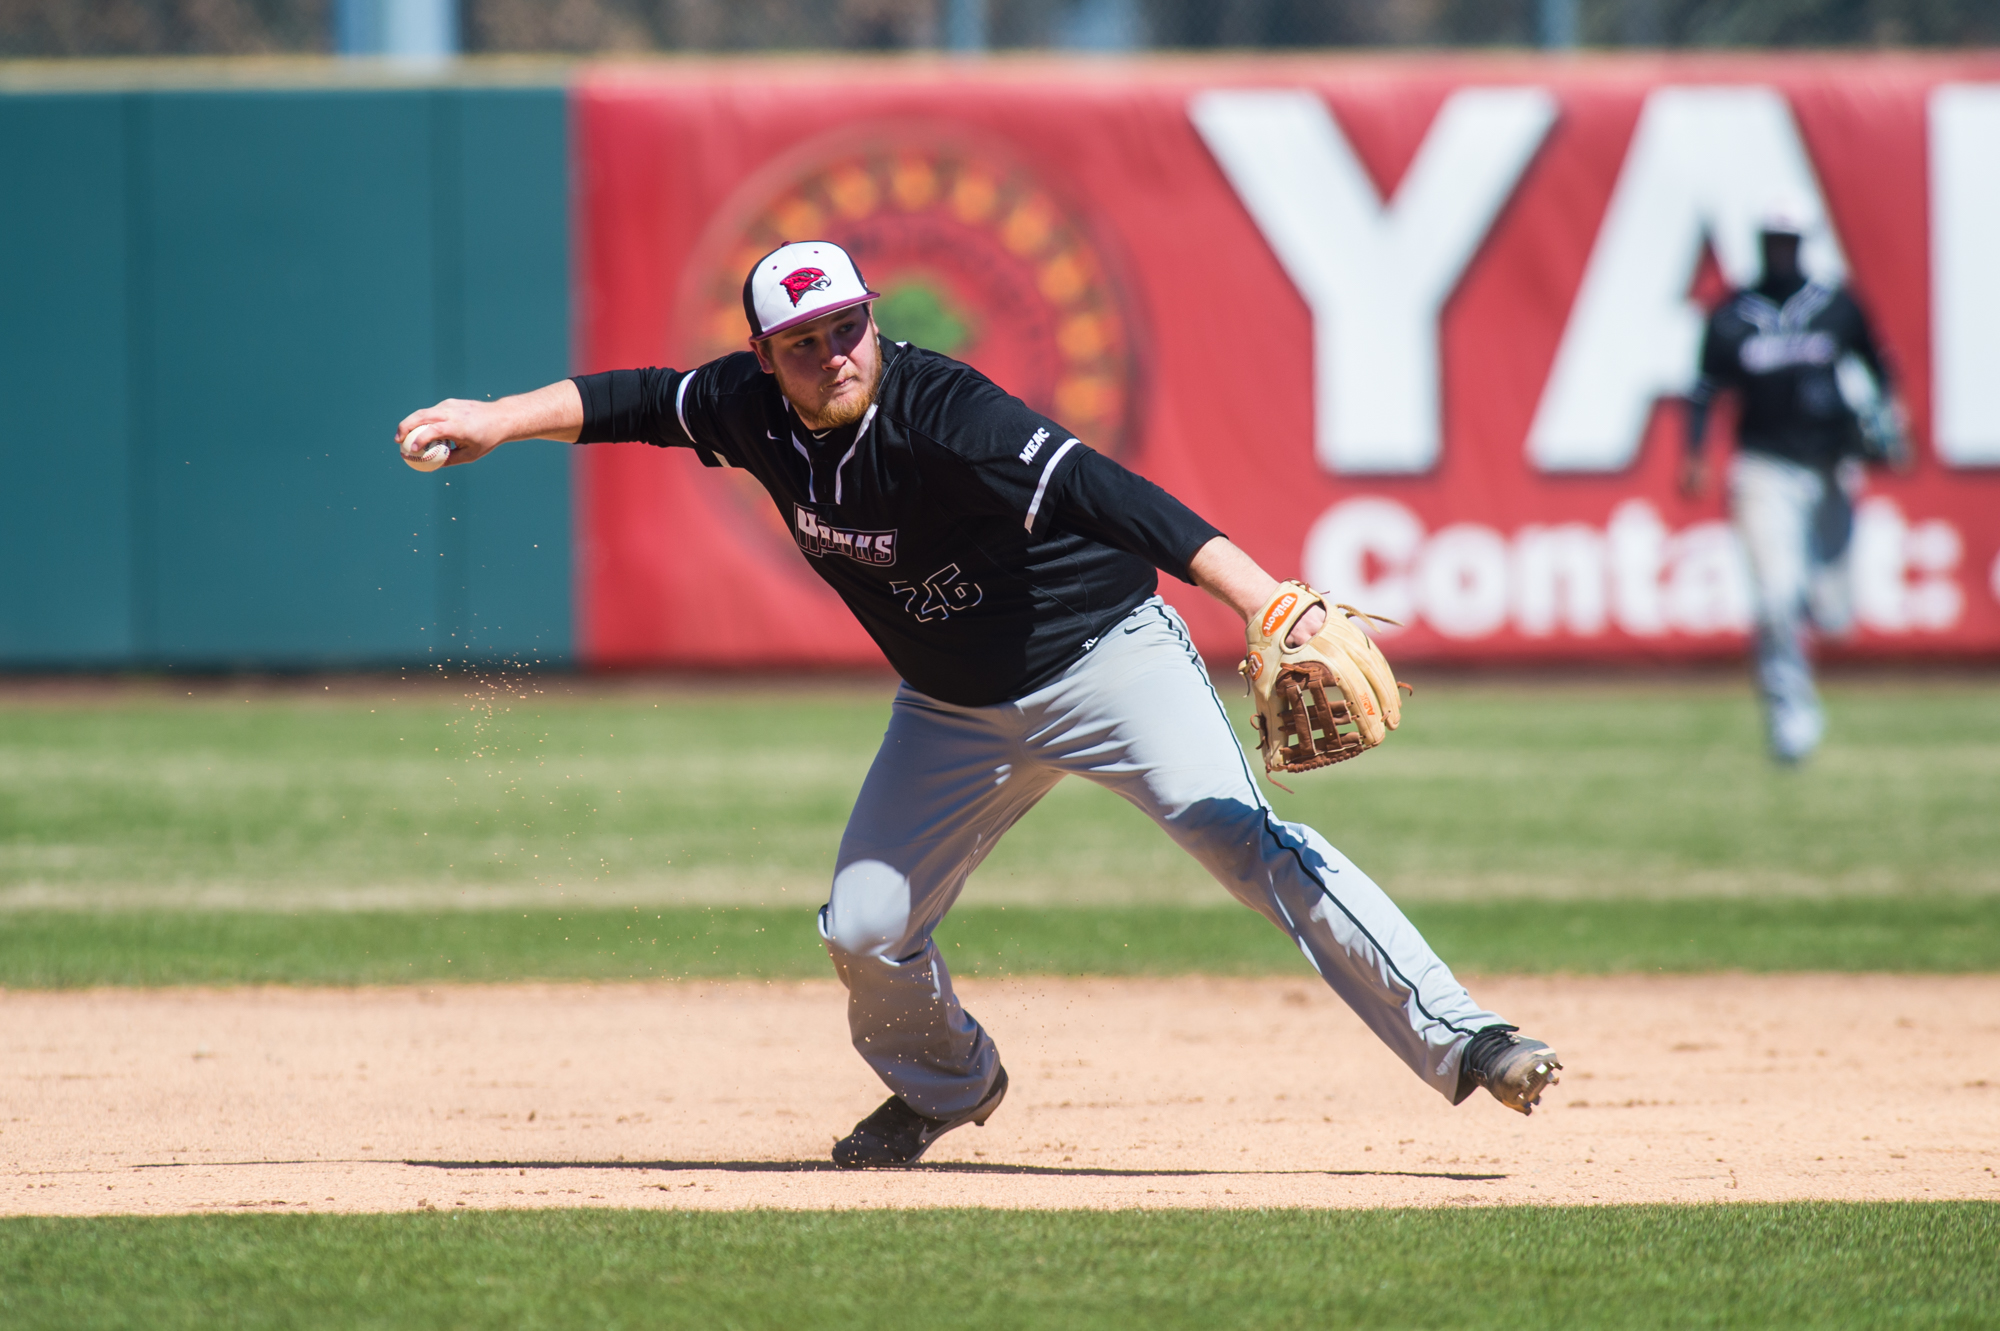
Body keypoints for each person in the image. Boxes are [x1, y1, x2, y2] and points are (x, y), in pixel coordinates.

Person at [397, 240, 1560, 1167]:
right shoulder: (747, 412)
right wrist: (497, 416)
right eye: (802, 340)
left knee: (1237, 837)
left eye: (847, 325)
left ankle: (1468, 1039)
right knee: (861, 926)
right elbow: (637, 397)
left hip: (1105, 658)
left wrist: (1263, 598)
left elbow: (1111, 493)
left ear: (872, 317)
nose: (834, 352)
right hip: (951, 707)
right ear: (764, 355)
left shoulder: (947, 410)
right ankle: (948, 1086)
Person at [1682, 205, 1910, 764]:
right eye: (1772, 240)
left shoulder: (1834, 305)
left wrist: (1892, 424)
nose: (1781, 250)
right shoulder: (1734, 315)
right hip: (1764, 466)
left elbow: (1878, 369)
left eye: (1789, 240)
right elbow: (1706, 388)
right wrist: (1695, 451)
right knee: (1777, 598)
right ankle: (1791, 715)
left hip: (1831, 465)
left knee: (1832, 612)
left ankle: (1804, 666)